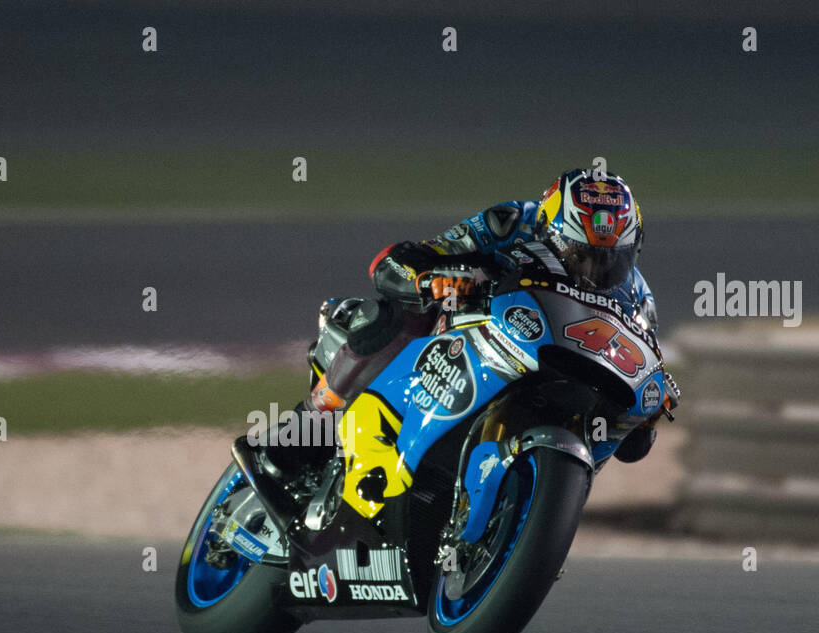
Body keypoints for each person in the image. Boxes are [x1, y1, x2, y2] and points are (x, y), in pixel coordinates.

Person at [257, 168, 675, 484]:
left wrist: (646, 417)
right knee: (401, 311)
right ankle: (312, 420)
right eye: (581, 254)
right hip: (472, 333)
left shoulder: (639, 301)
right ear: (551, 231)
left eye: (610, 259)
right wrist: (432, 277)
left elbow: (633, 448)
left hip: (557, 375)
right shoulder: (512, 222)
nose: (594, 270)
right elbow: (404, 260)